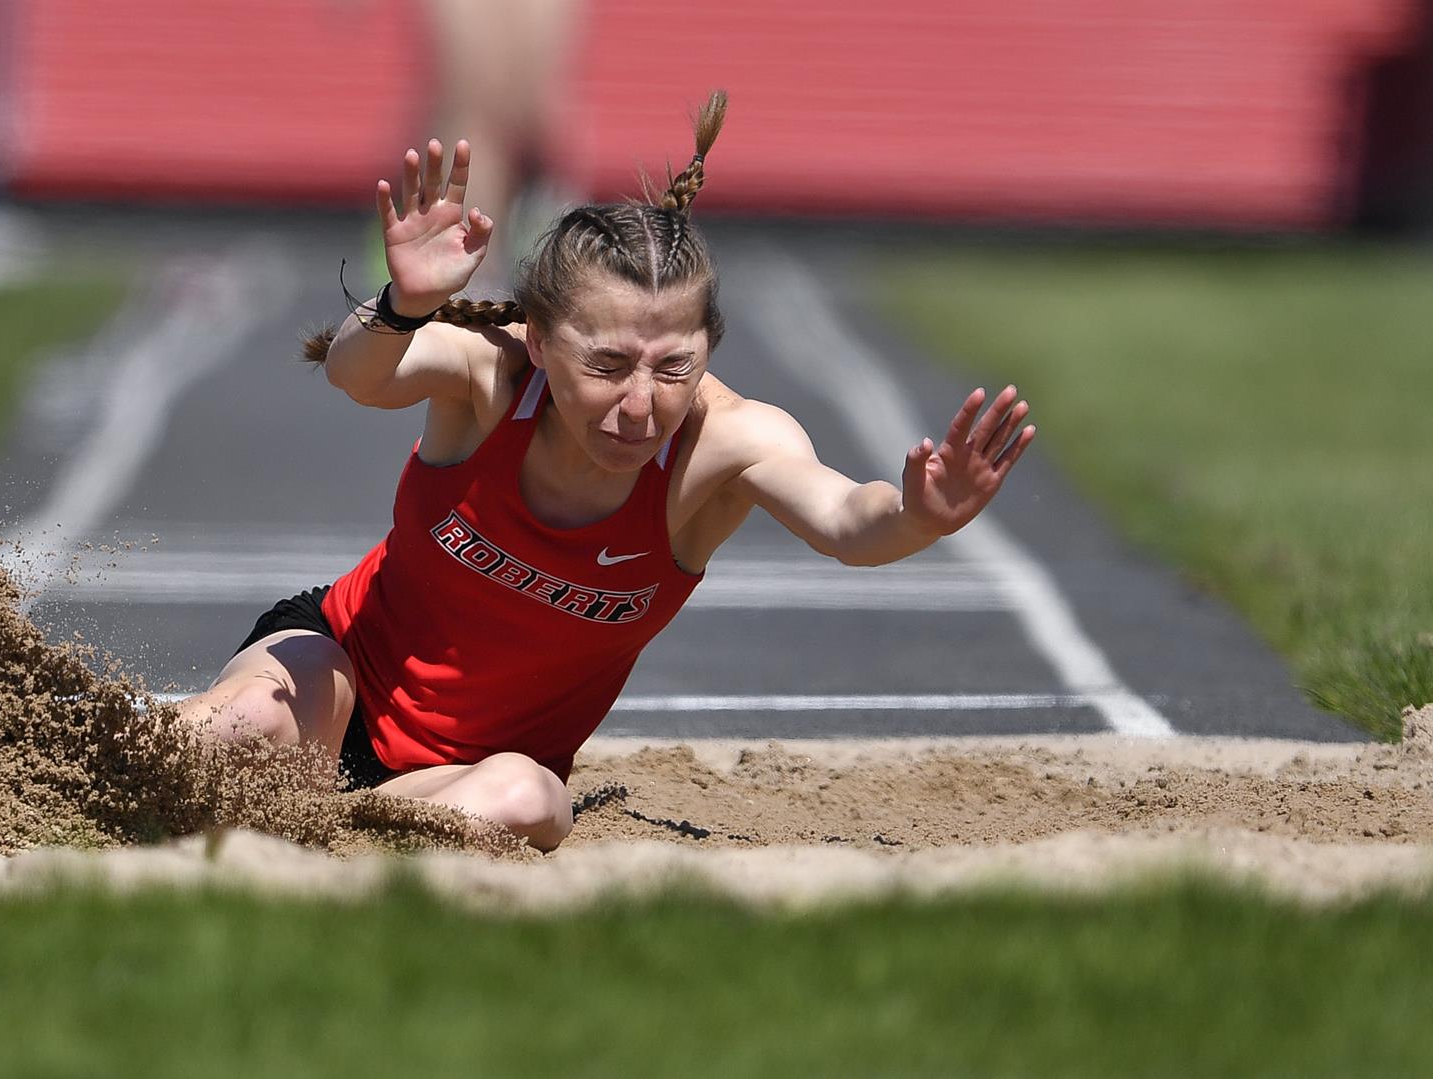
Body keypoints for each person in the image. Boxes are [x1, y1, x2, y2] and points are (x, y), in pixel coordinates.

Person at [178, 92, 1036, 851]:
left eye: (674, 367)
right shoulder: (493, 377)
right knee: (253, 720)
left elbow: (848, 521)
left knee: (528, 802)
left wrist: (921, 516)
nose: (639, 405)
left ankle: (325, 823)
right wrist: (404, 305)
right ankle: (132, 754)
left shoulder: (724, 445)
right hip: (339, 669)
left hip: (472, 775)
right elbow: (356, 375)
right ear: (541, 341)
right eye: (608, 365)